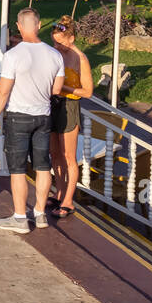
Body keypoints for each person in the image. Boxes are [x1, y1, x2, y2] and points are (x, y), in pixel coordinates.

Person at [0, 9, 65, 233]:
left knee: (18, 169)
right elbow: (57, 89)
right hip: (43, 115)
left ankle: (20, 217)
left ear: (19, 27)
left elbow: (3, 91)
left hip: (18, 116)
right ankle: (40, 213)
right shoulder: (55, 55)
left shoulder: (13, 55)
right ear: (39, 25)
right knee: (43, 166)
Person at [49, 16, 93, 218]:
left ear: (72, 38)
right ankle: (59, 192)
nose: (57, 46)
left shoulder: (80, 59)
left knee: (68, 156)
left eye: (61, 42)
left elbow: (87, 92)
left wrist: (61, 87)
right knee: (55, 154)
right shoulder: (55, 54)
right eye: (54, 42)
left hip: (69, 104)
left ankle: (69, 200)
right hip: (53, 104)